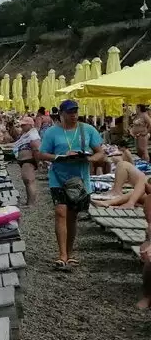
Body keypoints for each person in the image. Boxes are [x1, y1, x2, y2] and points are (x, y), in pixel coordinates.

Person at [35, 99, 105, 269]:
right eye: (70, 112)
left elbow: (100, 153)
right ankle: (62, 255)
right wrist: (59, 156)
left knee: (72, 217)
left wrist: (88, 158)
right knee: (60, 212)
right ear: (62, 114)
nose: (74, 115)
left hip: (79, 179)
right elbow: (41, 154)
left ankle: (70, 252)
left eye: (75, 111)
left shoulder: (87, 130)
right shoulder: (52, 132)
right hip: (58, 177)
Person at [11, 116, 41, 206]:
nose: (22, 126)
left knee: (29, 180)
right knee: (27, 181)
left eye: (24, 125)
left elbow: (36, 148)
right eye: (22, 124)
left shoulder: (33, 134)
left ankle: (31, 203)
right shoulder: (26, 133)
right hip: (25, 160)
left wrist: (38, 161)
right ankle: (29, 202)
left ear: (30, 124)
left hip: (29, 159)